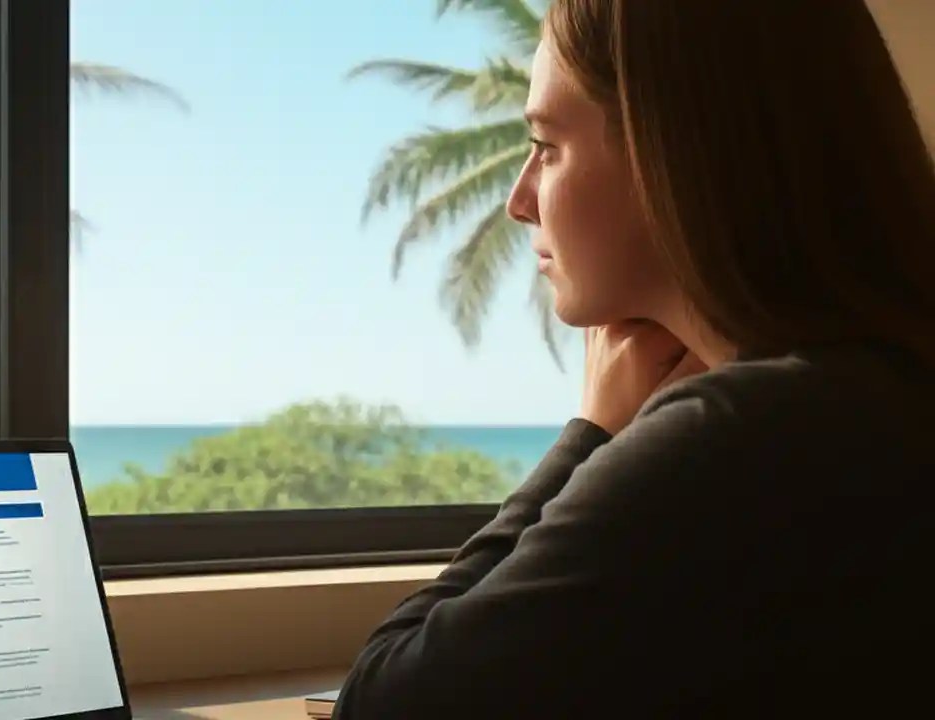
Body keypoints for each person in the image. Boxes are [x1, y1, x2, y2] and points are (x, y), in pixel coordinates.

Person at [333, 0, 935, 716]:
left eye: (547, 146)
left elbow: (381, 702)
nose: (519, 201)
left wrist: (592, 432)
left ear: (673, 150)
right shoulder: (885, 396)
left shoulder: (736, 441)